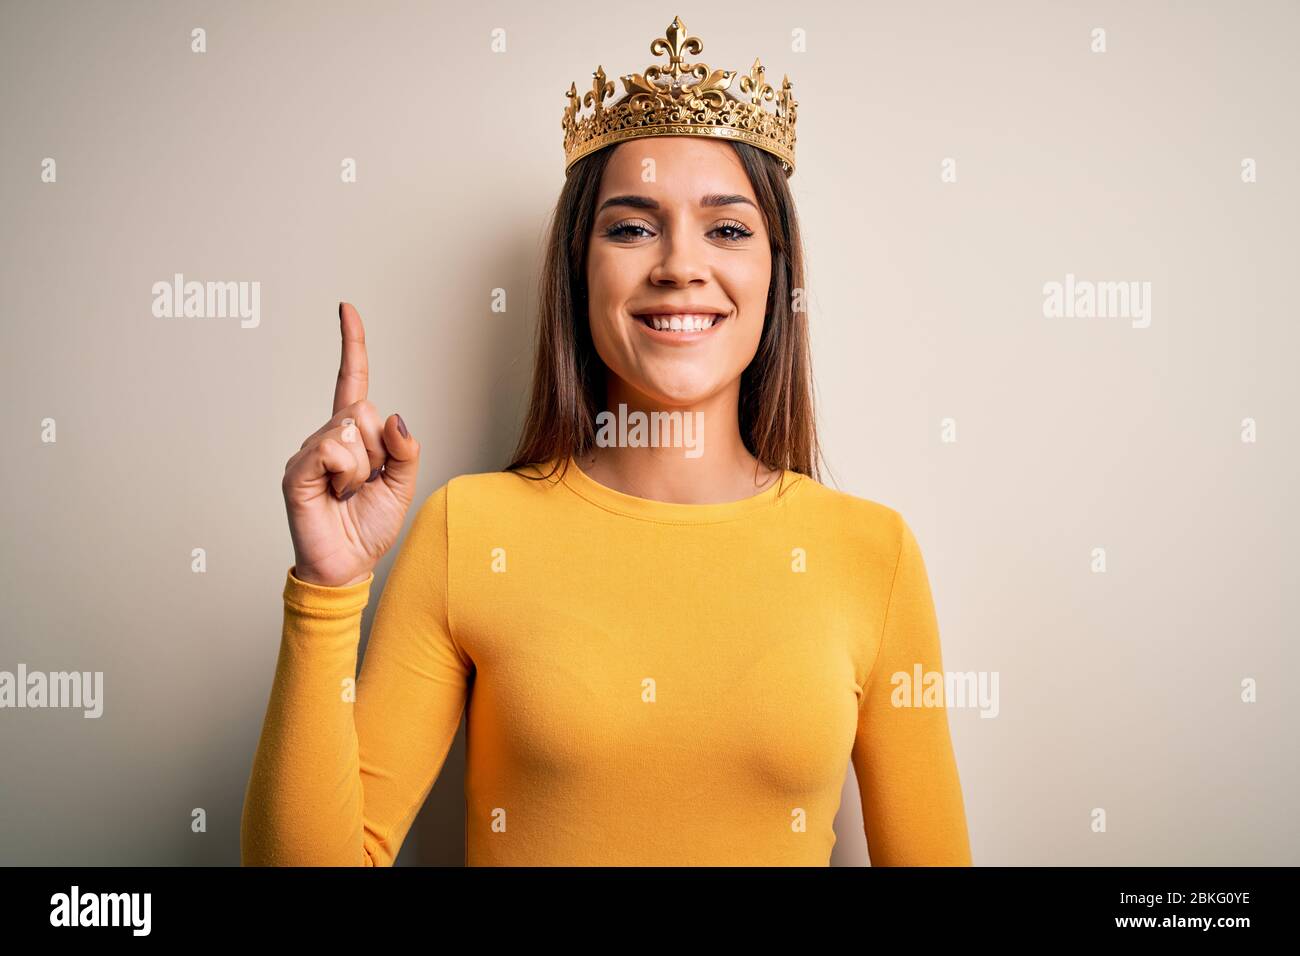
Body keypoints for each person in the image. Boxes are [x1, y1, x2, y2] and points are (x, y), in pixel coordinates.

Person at [240, 16, 972, 866]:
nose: (679, 266)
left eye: (727, 229)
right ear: (578, 269)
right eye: (631, 227)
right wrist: (328, 589)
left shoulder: (871, 555)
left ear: (777, 274)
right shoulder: (468, 531)